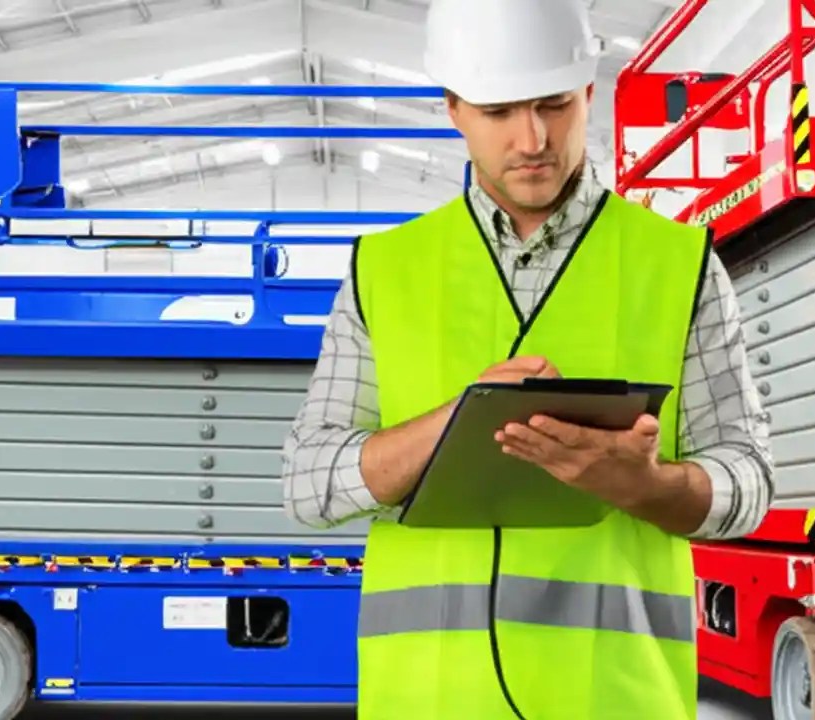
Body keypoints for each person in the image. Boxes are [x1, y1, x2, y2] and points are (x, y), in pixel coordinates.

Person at [281, 0, 774, 717]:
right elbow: (305, 485)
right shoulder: (383, 271)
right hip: (430, 700)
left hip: (614, 699)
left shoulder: (680, 265)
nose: (533, 137)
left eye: (554, 104)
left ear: (589, 93)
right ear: (454, 108)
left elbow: (751, 479)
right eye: (499, 111)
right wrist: (453, 425)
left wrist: (647, 484)